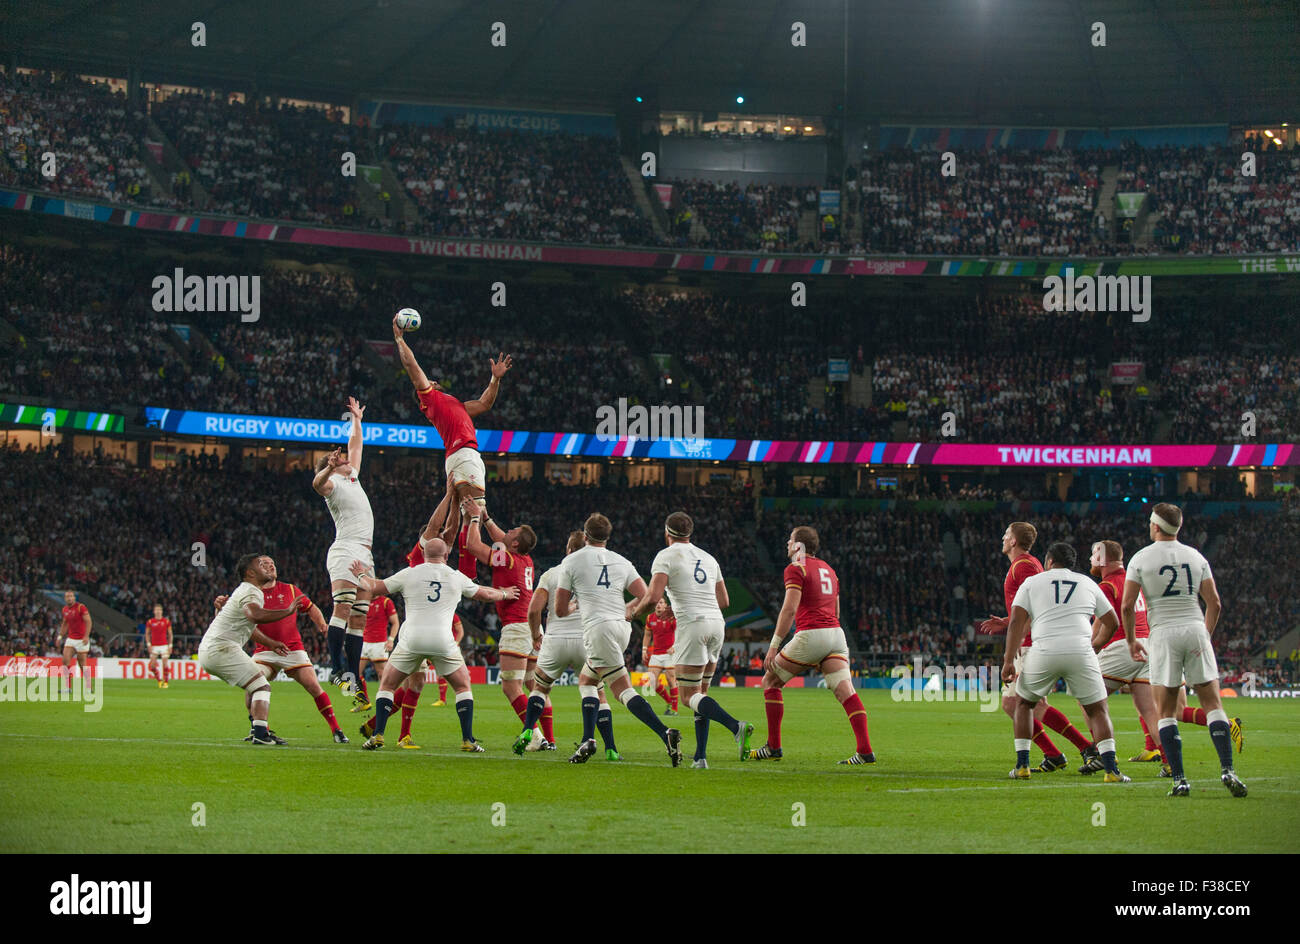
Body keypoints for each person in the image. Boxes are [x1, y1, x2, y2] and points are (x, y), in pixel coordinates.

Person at [1121, 503, 1247, 798]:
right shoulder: (1195, 555)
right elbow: (1214, 603)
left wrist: (1130, 640)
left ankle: (1179, 779)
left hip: (1163, 633)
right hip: (1194, 628)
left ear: (1154, 526)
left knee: (1165, 712)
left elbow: (1127, 605)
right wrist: (1205, 634)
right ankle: (1228, 770)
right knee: (1214, 704)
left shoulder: (1141, 558)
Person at [348, 540, 517, 752]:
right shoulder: (455, 576)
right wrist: (505, 594)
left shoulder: (409, 573)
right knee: (463, 687)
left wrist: (360, 574)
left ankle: (377, 735)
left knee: (388, 686)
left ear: (424, 554)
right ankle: (468, 740)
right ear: (446, 555)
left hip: (412, 639)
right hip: (442, 640)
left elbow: (375, 586)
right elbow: (485, 594)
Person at [553, 513, 683, 766]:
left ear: (585, 534)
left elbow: (559, 609)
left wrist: (574, 606)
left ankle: (665, 733)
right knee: (587, 680)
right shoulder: (622, 561)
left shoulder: (572, 561)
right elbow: (647, 596)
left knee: (622, 690)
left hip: (598, 629)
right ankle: (587, 740)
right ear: (608, 536)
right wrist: (628, 611)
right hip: (622, 628)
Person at [628, 511, 752, 769]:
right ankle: (701, 757)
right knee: (701, 694)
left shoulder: (665, 556)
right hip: (717, 624)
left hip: (693, 626)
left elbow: (652, 598)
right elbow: (725, 601)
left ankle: (735, 726)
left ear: (667, 533)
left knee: (687, 697)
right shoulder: (709, 557)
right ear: (690, 533)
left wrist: (634, 614)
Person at [1002, 541, 1130, 783]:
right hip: (1080, 650)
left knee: (1024, 705)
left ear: (1049, 562)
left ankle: (1022, 766)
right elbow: (1112, 621)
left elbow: (1016, 622)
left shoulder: (1032, 582)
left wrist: (1008, 660)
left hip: (1044, 650)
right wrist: (1096, 646)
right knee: (1098, 710)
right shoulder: (1087, 583)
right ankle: (1111, 771)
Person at [750, 527, 874, 766]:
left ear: (798, 546)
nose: (787, 543)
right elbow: (836, 611)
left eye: (790, 539)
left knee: (770, 681)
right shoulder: (830, 570)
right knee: (846, 691)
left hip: (811, 634)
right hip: (837, 635)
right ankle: (865, 751)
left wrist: (774, 645)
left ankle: (773, 747)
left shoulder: (796, 568)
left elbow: (789, 609)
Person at [979, 521, 1096, 772]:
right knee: (1019, 705)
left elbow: (1041, 602)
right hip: (1031, 642)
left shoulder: (1024, 566)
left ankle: (1085, 748)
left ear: (1013, 541)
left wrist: (1020, 633)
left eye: (1006, 534)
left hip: (1032, 644)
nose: (1002, 537)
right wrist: (1009, 620)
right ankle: (1058, 753)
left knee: (1024, 705)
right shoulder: (1026, 564)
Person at [392, 313, 512, 540]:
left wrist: (495, 379)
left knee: (468, 516)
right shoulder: (430, 400)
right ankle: (506, 551)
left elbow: (485, 403)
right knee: (478, 513)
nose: (432, 380)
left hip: (463, 455)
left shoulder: (454, 405)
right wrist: (399, 339)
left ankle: (467, 569)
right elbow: (412, 365)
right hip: (463, 453)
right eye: (429, 381)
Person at [216, 559, 348, 743]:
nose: (271, 565)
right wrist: (222, 606)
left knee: (314, 686)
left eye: (272, 563)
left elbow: (310, 607)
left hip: (293, 648)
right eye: (264, 563)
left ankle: (337, 730)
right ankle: (260, 729)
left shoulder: (290, 590)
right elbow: (235, 617)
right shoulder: (251, 594)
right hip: (264, 650)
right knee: (252, 685)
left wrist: (322, 624)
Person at [514, 530, 619, 758]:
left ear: (567, 549)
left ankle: (526, 732)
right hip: (586, 641)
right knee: (596, 691)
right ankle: (608, 747)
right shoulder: (598, 577)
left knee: (540, 688)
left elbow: (534, 609)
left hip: (555, 641)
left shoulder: (551, 575)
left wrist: (535, 635)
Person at [197, 554, 303, 745]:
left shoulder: (246, 590)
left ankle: (259, 731)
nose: (266, 568)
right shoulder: (252, 591)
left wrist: (271, 643)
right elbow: (253, 615)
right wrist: (286, 611)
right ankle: (261, 734)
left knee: (257, 685)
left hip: (214, 649)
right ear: (251, 573)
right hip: (221, 649)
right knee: (261, 686)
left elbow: (249, 626)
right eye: (261, 565)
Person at [311, 396, 374, 712]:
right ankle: (336, 667)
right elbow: (315, 483)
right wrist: (328, 469)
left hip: (365, 553)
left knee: (360, 617)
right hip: (346, 548)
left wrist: (357, 421)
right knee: (344, 608)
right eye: (340, 459)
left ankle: (354, 681)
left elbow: (357, 446)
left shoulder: (351, 476)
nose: (348, 459)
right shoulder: (332, 483)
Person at [463, 499, 538, 738]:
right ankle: (547, 737)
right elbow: (500, 539)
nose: (507, 532)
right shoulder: (524, 559)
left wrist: (474, 518)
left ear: (514, 543)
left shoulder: (506, 559)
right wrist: (486, 517)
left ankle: (534, 736)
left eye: (512, 532)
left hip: (515, 627)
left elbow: (473, 545)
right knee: (532, 686)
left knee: (510, 687)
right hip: (528, 626)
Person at [359, 593, 399, 712]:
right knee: (355, 673)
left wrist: (391, 640)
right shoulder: (363, 601)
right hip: (364, 642)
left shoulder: (386, 602)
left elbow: (395, 622)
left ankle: (386, 702)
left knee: (382, 675)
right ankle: (364, 702)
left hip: (379, 643)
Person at [641, 599, 678, 715]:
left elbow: (680, 633)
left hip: (669, 654)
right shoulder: (649, 618)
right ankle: (669, 702)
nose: (658, 604)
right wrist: (644, 649)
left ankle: (674, 709)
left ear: (666, 606)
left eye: (661, 602)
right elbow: (647, 635)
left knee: (671, 680)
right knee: (651, 682)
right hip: (656, 654)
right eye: (657, 602)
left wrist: (675, 647)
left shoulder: (672, 618)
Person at [59, 590, 93, 694]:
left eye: (71, 596)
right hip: (71, 639)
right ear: (65, 599)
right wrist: (60, 636)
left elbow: (89, 621)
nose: (69, 598)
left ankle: (88, 687)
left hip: (81, 639)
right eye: (67, 596)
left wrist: (86, 636)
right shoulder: (64, 609)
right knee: (65, 660)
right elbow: (65, 623)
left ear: (74, 598)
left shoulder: (80, 607)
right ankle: (67, 687)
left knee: (82, 663)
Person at [145, 604, 173, 688]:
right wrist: (148, 645)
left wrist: (170, 645)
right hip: (154, 646)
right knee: (152, 666)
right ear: (154, 611)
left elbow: (170, 634)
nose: (158, 611)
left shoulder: (166, 621)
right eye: (156, 610)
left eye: (159, 610)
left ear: (162, 611)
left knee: (165, 663)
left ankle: (166, 682)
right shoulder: (150, 622)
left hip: (164, 645)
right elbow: (147, 634)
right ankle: (159, 680)